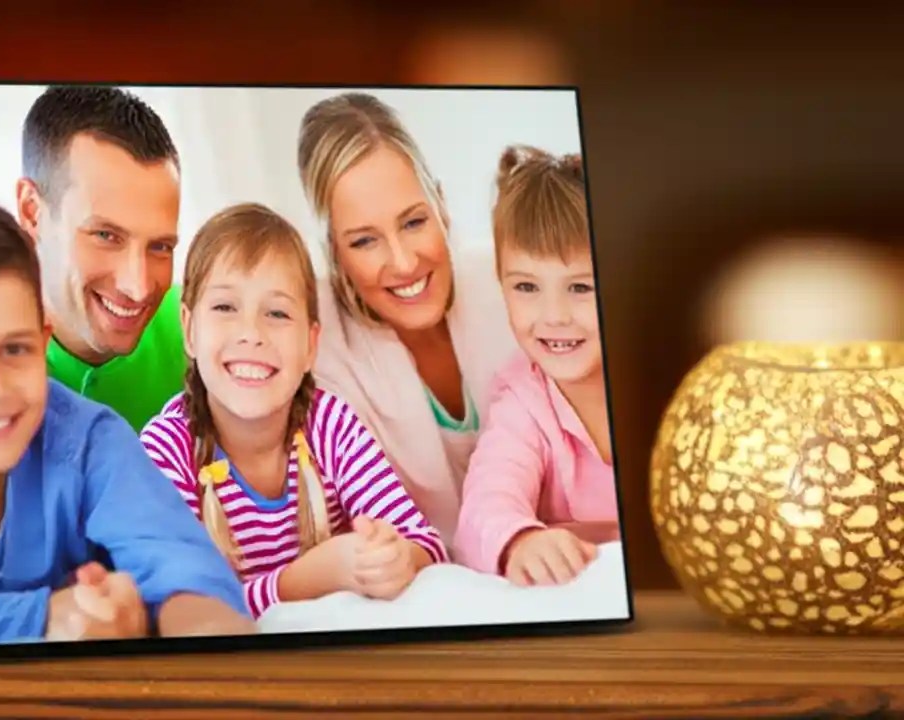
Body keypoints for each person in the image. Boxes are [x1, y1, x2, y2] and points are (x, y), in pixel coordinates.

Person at [0, 183, 255, 650]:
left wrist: (210, 639)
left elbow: (182, 568)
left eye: (15, 348)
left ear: (43, 337)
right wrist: (46, 616)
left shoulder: (90, 440)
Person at [139, 203, 447, 620]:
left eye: (278, 313)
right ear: (189, 330)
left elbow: (426, 545)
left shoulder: (331, 426)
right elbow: (175, 610)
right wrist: (306, 580)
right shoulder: (165, 451)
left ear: (310, 345)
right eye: (225, 308)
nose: (251, 334)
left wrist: (396, 560)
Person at [295, 92, 517, 549]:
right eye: (364, 242)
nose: (402, 262)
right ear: (334, 252)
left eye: (414, 222)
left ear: (441, 202)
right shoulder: (318, 349)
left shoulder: (507, 283)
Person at [451, 146, 620, 586]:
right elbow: (486, 503)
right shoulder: (522, 402)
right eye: (526, 286)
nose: (553, 315)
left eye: (581, 287)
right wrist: (520, 540)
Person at [14, 85, 188, 433]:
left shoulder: (205, 333)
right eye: (106, 236)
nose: (137, 288)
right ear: (32, 212)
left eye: (160, 247)